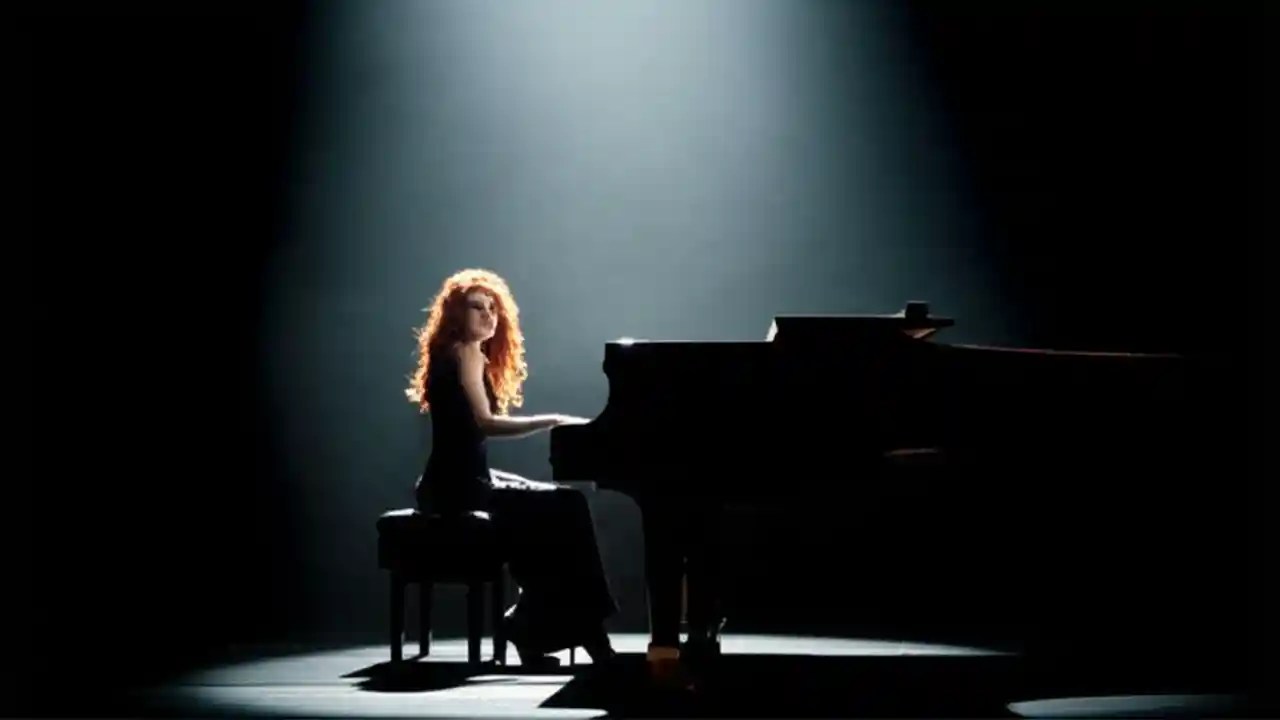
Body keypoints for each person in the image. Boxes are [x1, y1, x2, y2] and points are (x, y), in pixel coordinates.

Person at [405, 268, 617, 667]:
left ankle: (532, 629)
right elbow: (485, 423)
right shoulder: (463, 352)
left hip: (457, 481)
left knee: (551, 513)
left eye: (493, 309)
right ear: (455, 314)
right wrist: (549, 420)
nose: (488, 316)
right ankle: (578, 636)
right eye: (476, 307)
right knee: (567, 506)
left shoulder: (462, 353)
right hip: (457, 486)